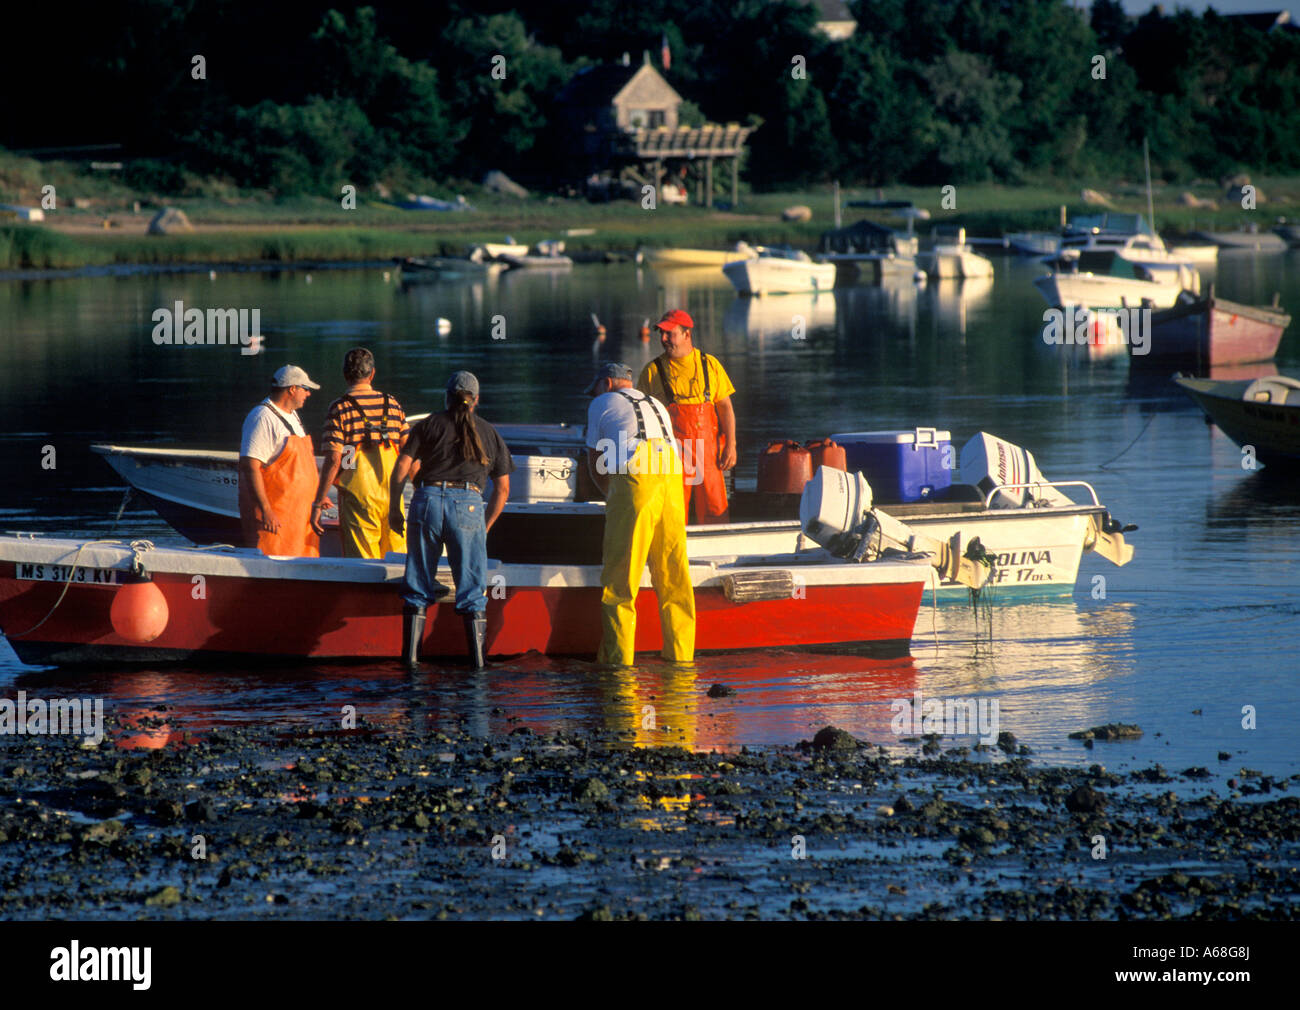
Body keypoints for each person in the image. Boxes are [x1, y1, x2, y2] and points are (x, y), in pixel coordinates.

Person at [389, 371, 513, 671]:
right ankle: (478, 668)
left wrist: (395, 508)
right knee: (471, 590)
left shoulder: (430, 424)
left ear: (446, 397)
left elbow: (401, 469)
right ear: (476, 400)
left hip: (427, 500)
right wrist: (485, 526)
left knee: (417, 584)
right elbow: (504, 488)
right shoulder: (488, 432)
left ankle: (411, 664)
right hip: (468, 506)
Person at [586, 362, 695, 666]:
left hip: (637, 476)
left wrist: (612, 495)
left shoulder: (600, 403)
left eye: (594, 388)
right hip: (672, 477)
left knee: (621, 579)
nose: (592, 395)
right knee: (673, 574)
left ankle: (618, 664)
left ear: (607, 383)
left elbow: (595, 460)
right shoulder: (655, 402)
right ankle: (681, 658)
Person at [636, 309, 737, 525]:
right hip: (671, 453)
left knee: (714, 507)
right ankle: (671, 552)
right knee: (672, 508)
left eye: (669, 334)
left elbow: (725, 407)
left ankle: (715, 547)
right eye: (661, 334)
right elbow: (641, 418)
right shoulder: (652, 371)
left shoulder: (710, 365)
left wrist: (731, 444)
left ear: (686, 334)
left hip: (709, 455)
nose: (663, 339)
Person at [310, 347, 410, 558]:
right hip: (394, 498)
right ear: (372, 374)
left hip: (359, 499)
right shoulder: (392, 404)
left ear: (345, 375)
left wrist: (319, 501)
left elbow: (336, 458)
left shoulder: (340, 408)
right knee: (399, 562)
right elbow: (409, 453)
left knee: (364, 565)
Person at [238, 364, 321, 557]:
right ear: (292, 389)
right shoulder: (261, 418)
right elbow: (250, 467)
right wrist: (266, 510)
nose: (308, 394)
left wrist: (317, 494)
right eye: (305, 389)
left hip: (301, 518)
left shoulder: (293, 416)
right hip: (276, 521)